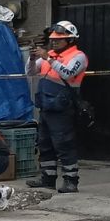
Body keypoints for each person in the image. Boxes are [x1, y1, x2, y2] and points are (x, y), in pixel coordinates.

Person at [27, 21, 88, 193]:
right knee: (44, 144)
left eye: (58, 40)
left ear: (70, 40)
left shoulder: (78, 56)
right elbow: (30, 72)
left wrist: (47, 58)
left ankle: (71, 181)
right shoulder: (50, 55)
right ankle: (48, 178)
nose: (54, 42)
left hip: (62, 108)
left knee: (64, 145)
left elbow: (67, 73)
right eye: (52, 39)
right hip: (46, 107)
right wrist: (32, 59)